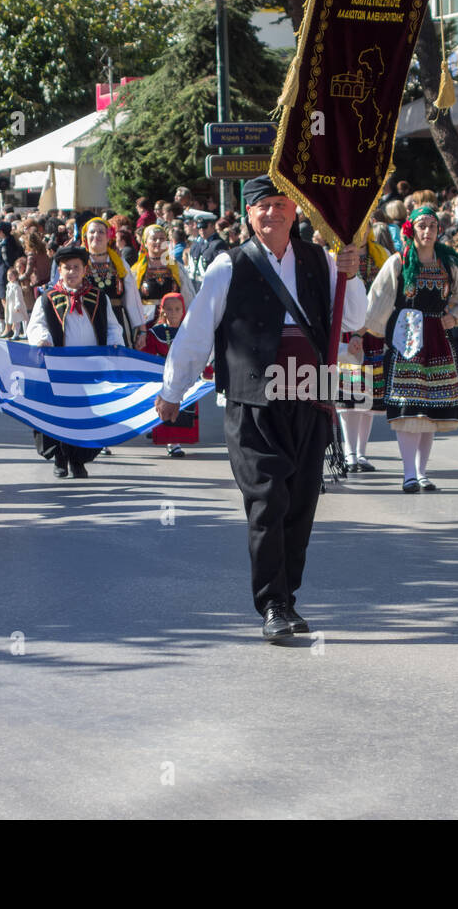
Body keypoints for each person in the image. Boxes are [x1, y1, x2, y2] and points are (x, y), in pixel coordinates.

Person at [155, 175, 365, 642]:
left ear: (295, 211)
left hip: (310, 396)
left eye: (280, 204)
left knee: (301, 502)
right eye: (262, 207)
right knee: (268, 500)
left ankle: (288, 594)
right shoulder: (227, 267)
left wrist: (351, 270)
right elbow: (195, 332)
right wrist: (173, 390)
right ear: (248, 215)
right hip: (253, 402)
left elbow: (353, 318)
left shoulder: (321, 260)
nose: (272, 213)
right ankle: (272, 604)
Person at [365, 205, 458, 493]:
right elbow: (380, 296)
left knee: (431, 409)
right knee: (409, 407)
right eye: (422, 226)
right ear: (411, 230)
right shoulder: (399, 261)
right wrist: (373, 331)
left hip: (438, 336)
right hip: (408, 337)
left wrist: (455, 315)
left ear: (439, 230)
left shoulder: (450, 262)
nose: (427, 231)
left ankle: (422, 472)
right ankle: (408, 474)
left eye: (432, 226)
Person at [26, 245, 124, 477]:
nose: (71, 272)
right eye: (66, 268)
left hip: (90, 367)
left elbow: (112, 326)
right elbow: (37, 325)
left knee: (86, 414)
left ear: (84, 270)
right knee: (59, 413)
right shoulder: (48, 298)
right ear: (59, 271)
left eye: (76, 268)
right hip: (59, 367)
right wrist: (43, 339)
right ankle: (60, 457)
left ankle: (80, 460)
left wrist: (114, 344)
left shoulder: (99, 298)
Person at [335, 229, 391, 472]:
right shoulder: (335, 256)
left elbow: (386, 297)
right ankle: (349, 452)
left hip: (374, 332)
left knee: (369, 397)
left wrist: (368, 327)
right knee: (349, 394)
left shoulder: (382, 256)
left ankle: (362, 453)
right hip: (347, 331)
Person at [143, 293, 200, 457]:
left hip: (185, 377)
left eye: (177, 309)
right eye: (169, 309)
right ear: (162, 311)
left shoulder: (189, 331)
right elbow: (148, 353)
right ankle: (170, 442)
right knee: (166, 408)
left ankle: (177, 441)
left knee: (183, 409)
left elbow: (197, 353)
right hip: (164, 377)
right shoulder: (155, 332)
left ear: (183, 310)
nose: (173, 312)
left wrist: (206, 369)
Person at [82, 217, 144, 349]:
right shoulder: (79, 263)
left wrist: (141, 329)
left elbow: (132, 298)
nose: (96, 235)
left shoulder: (119, 263)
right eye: (92, 232)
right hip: (88, 318)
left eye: (101, 232)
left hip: (117, 319)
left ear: (109, 237)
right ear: (85, 236)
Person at [132, 223, 195, 319]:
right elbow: (132, 302)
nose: (158, 242)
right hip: (147, 321)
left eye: (162, 239)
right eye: (153, 239)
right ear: (145, 242)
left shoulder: (176, 267)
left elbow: (188, 297)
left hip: (174, 321)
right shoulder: (137, 270)